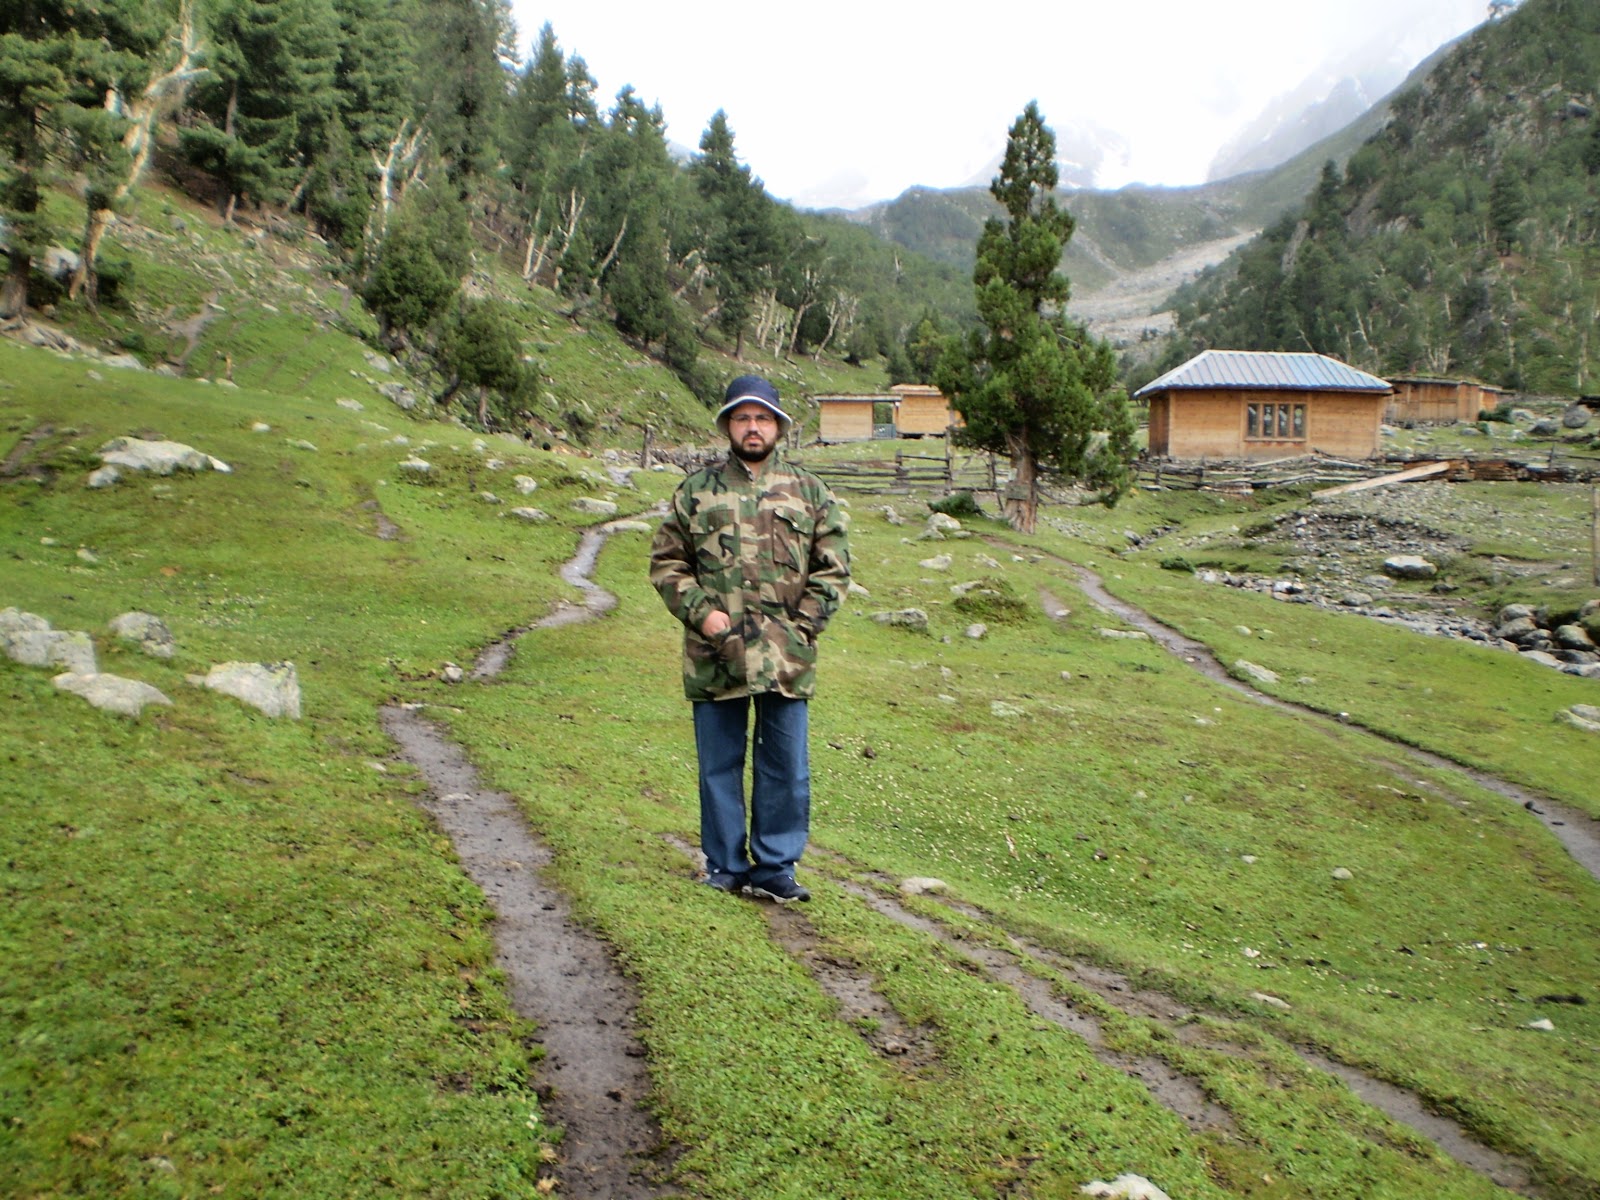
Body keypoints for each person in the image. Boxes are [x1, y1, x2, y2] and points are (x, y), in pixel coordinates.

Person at [649, 375, 850, 903]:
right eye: (742, 417)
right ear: (727, 426)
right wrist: (706, 619)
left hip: (787, 657)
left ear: (779, 426)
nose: (753, 427)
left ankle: (776, 867)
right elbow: (669, 564)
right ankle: (725, 864)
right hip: (716, 654)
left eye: (762, 418)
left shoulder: (811, 492)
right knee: (718, 763)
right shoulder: (696, 491)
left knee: (785, 766)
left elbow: (833, 571)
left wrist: (801, 628)